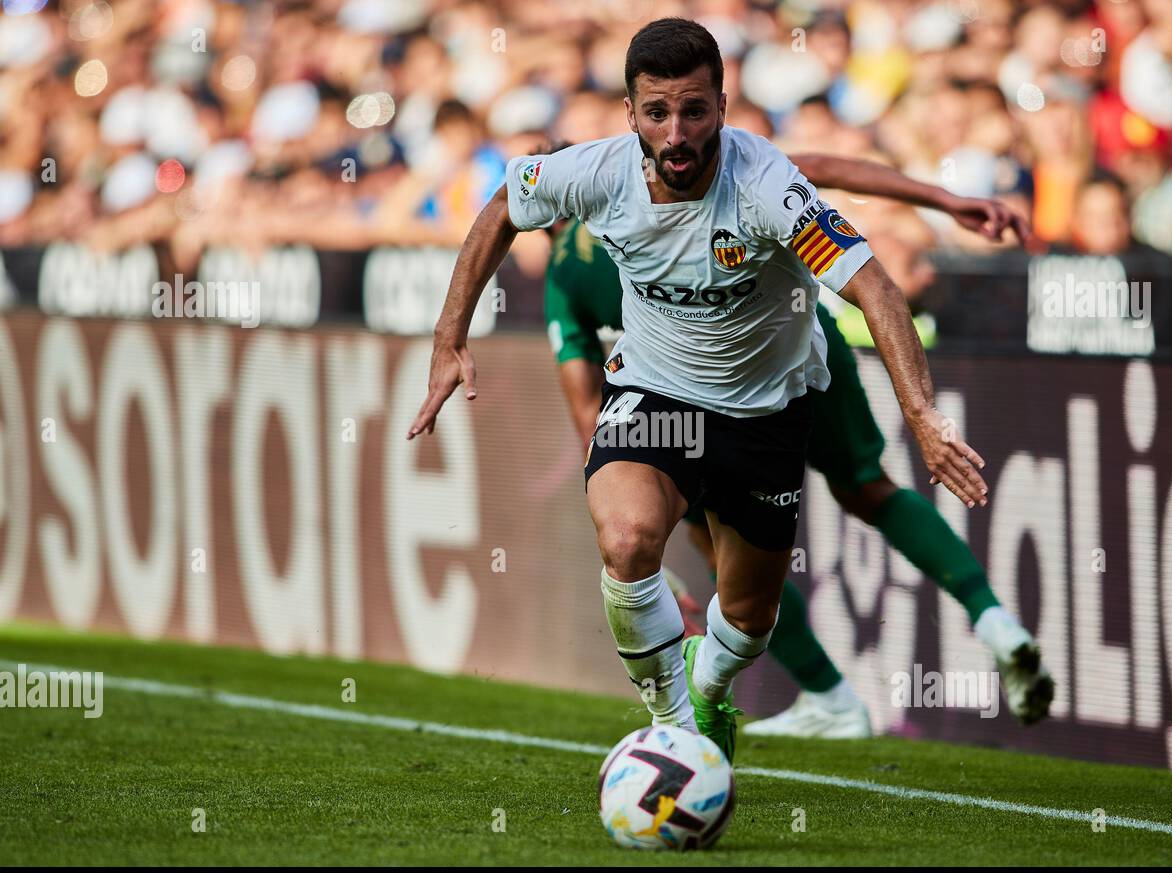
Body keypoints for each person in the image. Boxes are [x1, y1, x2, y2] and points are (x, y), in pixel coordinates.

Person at [408, 19, 1019, 762]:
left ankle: (706, 683)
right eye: (657, 113)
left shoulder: (767, 189)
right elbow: (505, 201)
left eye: (694, 110)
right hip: (655, 398)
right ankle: (673, 719)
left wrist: (922, 416)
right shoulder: (593, 173)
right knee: (628, 539)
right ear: (630, 114)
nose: (676, 133)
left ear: (722, 108)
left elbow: (878, 291)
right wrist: (450, 338)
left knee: (750, 617)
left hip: (766, 413)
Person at [544, 158, 1051, 738]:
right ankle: (995, 621)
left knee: (723, 555)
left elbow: (594, 421)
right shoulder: (708, 166)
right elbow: (826, 168)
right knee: (870, 489)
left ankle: (828, 697)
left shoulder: (565, 269)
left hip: (706, 400)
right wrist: (941, 197)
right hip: (809, 352)